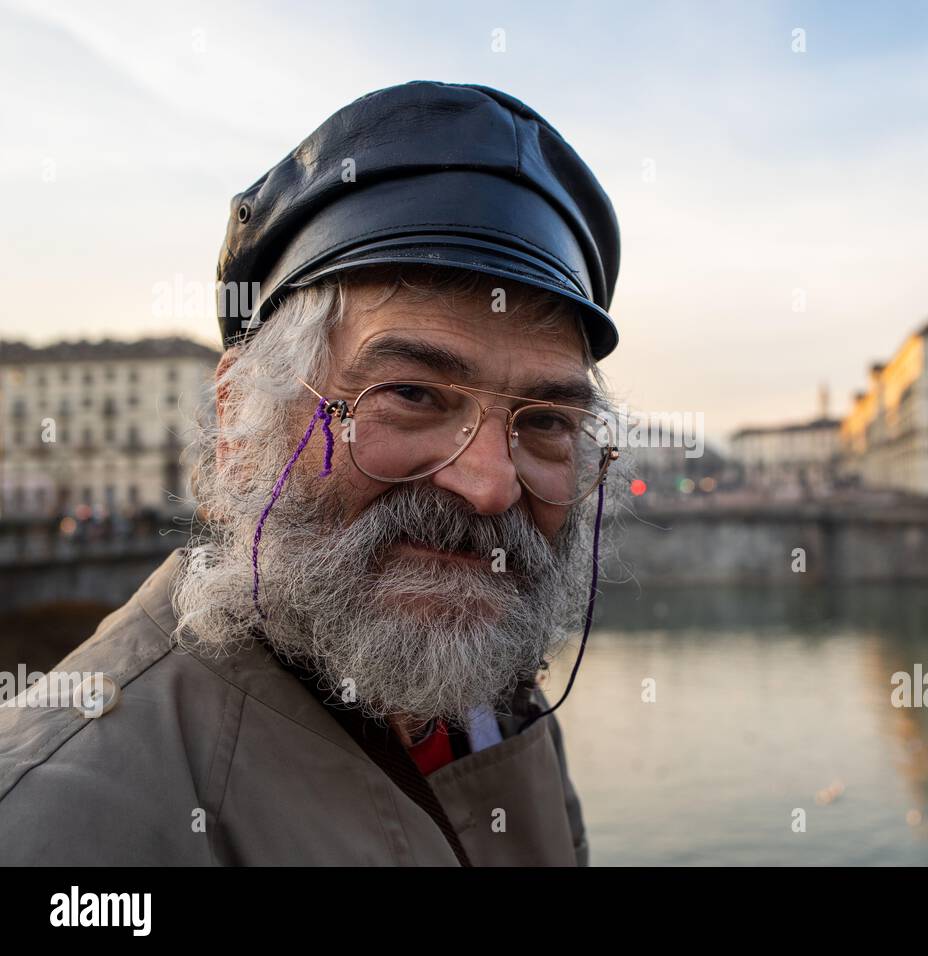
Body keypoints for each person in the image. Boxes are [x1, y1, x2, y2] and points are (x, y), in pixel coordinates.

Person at [0, 81, 623, 865]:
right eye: (410, 394)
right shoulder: (59, 824)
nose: (491, 484)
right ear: (239, 424)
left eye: (545, 422)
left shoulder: (495, 703)